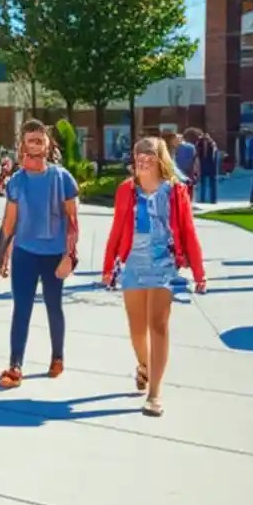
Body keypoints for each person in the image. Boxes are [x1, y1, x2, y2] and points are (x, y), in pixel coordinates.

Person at [101, 136, 205, 417]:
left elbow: (188, 231)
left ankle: (155, 393)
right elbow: (116, 230)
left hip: (163, 265)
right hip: (133, 264)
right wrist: (108, 266)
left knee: (157, 325)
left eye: (148, 153)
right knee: (137, 329)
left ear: (160, 159)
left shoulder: (175, 191)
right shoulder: (126, 190)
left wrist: (199, 272)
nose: (142, 158)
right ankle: (144, 365)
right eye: (138, 154)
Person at [0, 120, 79, 387]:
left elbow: (73, 221)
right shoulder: (17, 182)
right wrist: (1, 254)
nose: (35, 146)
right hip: (25, 253)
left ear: (47, 145)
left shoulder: (62, 178)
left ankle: (57, 357)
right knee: (22, 308)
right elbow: (9, 222)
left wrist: (70, 256)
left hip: (54, 254)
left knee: (54, 307)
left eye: (39, 141)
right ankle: (15, 365)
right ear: (23, 145)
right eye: (30, 141)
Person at [194, 131, 221, 204]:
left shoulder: (212, 144)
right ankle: (202, 199)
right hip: (202, 164)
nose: (205, 138)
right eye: (204, 137)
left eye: (207, 137)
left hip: (211, 165)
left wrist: (211, 142)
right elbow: (196, 151)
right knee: (202, 183)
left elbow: (215, 154)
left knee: (212, 183)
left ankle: (213, 200)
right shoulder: (200, 144)